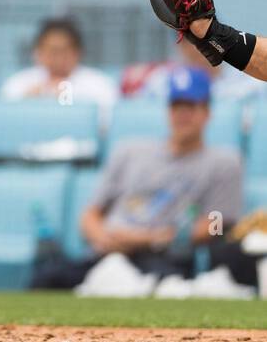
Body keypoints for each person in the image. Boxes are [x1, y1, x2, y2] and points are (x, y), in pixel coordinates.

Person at [32, 67, 241, 289]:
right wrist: (104, 238)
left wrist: (151, 239)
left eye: (190, 106)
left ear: (207, 112)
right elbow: (90, 214)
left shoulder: (223, 162)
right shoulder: (128, 150)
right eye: (176, 106)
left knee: (160, 287)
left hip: (162, 259)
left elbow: (218, 225)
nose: (182, 114)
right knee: (48, 279)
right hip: (108, 253)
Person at [0, 17, 118, 109]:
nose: (58, 58)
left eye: (64, 50)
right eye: (52, 51)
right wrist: (28, 103)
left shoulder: (99, 84)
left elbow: (106, 123)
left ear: (77, 52)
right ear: (38, 52)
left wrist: (69, 99)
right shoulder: (19, 83)